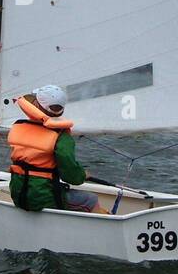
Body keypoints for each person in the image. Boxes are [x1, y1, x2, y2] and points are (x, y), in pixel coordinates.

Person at [7, 85, 109, 214]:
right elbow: (71, 176)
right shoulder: (61, 137)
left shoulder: (19, 127)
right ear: (61, 110)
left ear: (36, 106)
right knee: (91, 200)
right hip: (43, 198)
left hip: (18, 192)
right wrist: (82, 175)